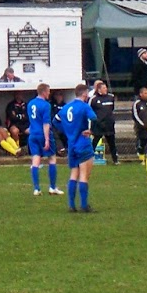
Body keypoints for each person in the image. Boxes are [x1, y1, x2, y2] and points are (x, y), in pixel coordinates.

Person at [59, 83, 98, 213]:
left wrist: (68, 131)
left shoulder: (66, 107)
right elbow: (94, 118)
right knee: (84, 175)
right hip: (83, 143)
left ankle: (71, 205)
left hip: (71, 144)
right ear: (85, 94)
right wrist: (91, 130)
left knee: (73, 174)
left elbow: (56, 121)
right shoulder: (84, 106)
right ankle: (84, 205)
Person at [26, 83, 60, 197]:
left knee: (35, 160)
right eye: (48, 91)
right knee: (52, 158)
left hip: (33, 134)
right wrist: (47, 139)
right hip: (42, 134)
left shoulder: (30, 103)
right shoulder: (46, 105)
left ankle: (36, 189)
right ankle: (52, 188)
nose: (49, 93)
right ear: (44, 92)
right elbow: (46, 123)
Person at [89, 80, 119, 165]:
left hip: (109, 125)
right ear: (99, 89)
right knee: (94, 142)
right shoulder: (93, 99)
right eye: (103, 88)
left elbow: (111, 109)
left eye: (106, 87)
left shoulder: (111, 97)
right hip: (98, 125)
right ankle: (88, 159)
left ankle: (115, 160)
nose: (105, 89)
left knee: (112, 143)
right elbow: (90, 110)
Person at [131, 85, 147, 162]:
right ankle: (141, 158)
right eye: (145, 93)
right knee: (142, 142)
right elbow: (135, 115)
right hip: (141, 128)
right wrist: (142, 124)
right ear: (141, 94)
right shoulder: (137, 103)